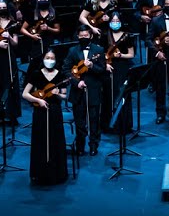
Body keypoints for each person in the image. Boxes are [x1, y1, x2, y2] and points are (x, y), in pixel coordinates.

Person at [23, 50, 69, 185]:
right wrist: (38, 101)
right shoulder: (36, 74)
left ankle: (57, 174)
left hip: (55, 111)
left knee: (56, 140)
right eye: (47, 57)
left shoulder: (61, 75)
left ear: (56, 60)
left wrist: (57, 94)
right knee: (40, 141)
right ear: (43, 59)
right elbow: (25, 94)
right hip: (40, 111)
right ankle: (39, 174)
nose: (49, 60)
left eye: (52, 58)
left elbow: (65, 96)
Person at [63, 24, 109, 156]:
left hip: (93, 90)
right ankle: (80, 146)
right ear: (78, 36)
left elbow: (102, 70)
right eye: (81, 35)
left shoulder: (99, 50)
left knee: (94, 120)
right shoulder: (72, 51)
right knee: (79, 121)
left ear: (91, 36)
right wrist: (76, 82)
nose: (84, 37)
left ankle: (94, 145)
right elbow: (66, 70)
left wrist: (92, 65)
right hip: (77, 91)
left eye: (86, 35)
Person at [0, 0, 21, 127]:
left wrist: (9, 37)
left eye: (4, 7)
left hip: (9, 56)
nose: (2, 9)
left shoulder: (13, 24)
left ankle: (11, 115)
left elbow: (16, 43)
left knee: (10, 85)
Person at [102, 11, 136, 133]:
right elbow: (99, 53)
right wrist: (105, 64)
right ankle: (108, 125)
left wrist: (121, 55)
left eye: (117, 21)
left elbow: (131, 54)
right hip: (108, 67)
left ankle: (124, 125)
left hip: (122, 67)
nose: (115, 23)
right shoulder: (104, 35)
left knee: (122, 94)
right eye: (113, 21)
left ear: (121, 22)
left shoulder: (127, 36)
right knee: (108, 94)